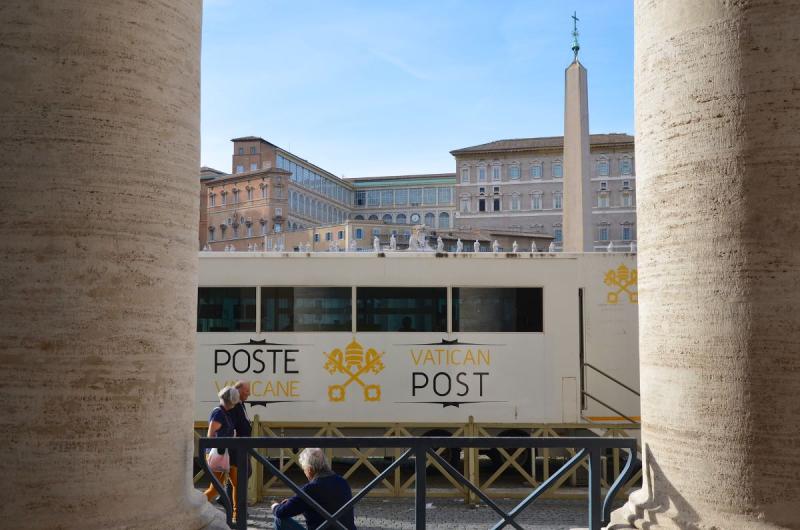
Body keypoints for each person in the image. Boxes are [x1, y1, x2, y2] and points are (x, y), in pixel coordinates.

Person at [271, 448, 356, 530]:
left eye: (304, 469)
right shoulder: (342, 482)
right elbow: (327, 505)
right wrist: (297, 503)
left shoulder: (311, 489)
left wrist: (275, 506)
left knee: (279, 520)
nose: (305, 472)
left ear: (310, 469)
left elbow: (281, 512)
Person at [203, 386, 241, 521]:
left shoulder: (225, 412)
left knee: (237, 484)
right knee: (214, 489)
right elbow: (211, 435)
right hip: (219, 455)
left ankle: (237, 515)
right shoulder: (219, 413)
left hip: (227, 455)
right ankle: (195, 509)